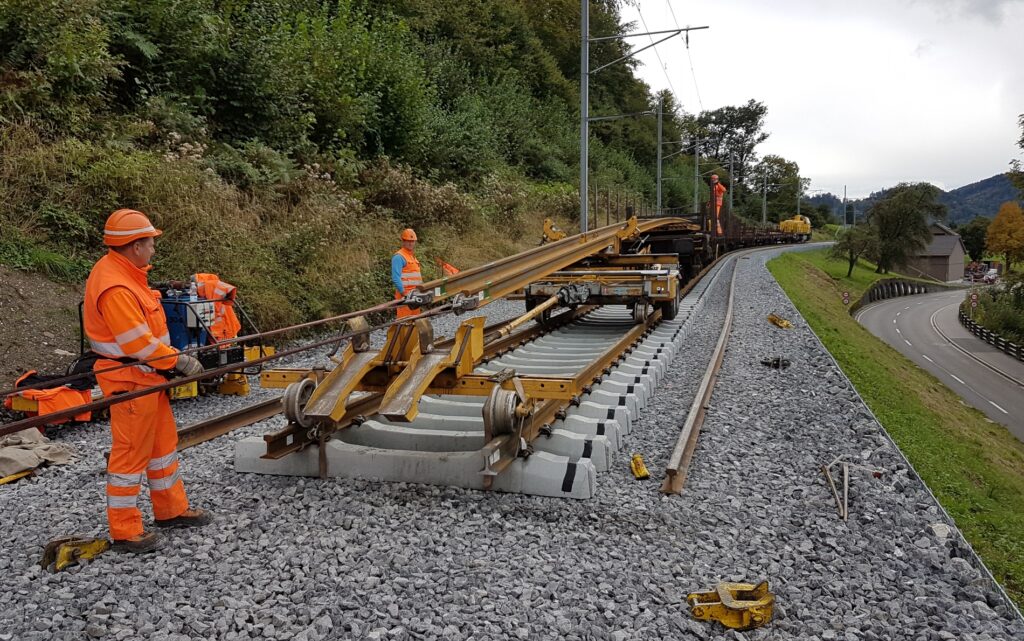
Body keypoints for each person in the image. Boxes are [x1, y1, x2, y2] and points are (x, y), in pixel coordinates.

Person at [83, 209, 213, 553]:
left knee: (160, 447)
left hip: (146, 376)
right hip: (129, 378)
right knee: (130, 454)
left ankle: (171, 510)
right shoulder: (115, 286)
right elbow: (137, 344)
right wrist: (179, 361)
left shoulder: (127, 275)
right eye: (151, 242)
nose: (154, 248)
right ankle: (125, 530)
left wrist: (167, 363)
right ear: (135, 245)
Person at [391, 228, 422, 319]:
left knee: (416, 322)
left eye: (412, 241)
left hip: (415, 296)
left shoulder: (411, 256)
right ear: (403, 241)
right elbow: (396, 278)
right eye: (408, 241)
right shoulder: (399, 257)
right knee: (404, 323)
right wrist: (404, 293)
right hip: (405, 298)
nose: (411, 243)